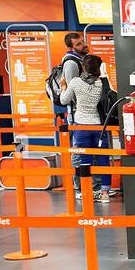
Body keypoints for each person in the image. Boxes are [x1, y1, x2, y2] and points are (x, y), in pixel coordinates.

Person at [58, 53, 112, 205]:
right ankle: (105, 193)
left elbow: (63, 100)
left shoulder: (75, 82)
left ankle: (85, 191)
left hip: (81, 126)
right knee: (103, 159)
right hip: (99, 127)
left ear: (83, 67)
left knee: (85, 160)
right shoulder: (102, 83)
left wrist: (63, 86)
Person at [56, 32, 89, 196]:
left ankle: (90, 185)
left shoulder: (82, 60)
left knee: (87, 148)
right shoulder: (70, 63)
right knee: (78, 149)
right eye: (79, 43)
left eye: (83, 41)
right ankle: (78, 187)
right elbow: (70, 89)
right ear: (71, 47)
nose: (83, 44)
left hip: (86, 112)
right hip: (77, 113)